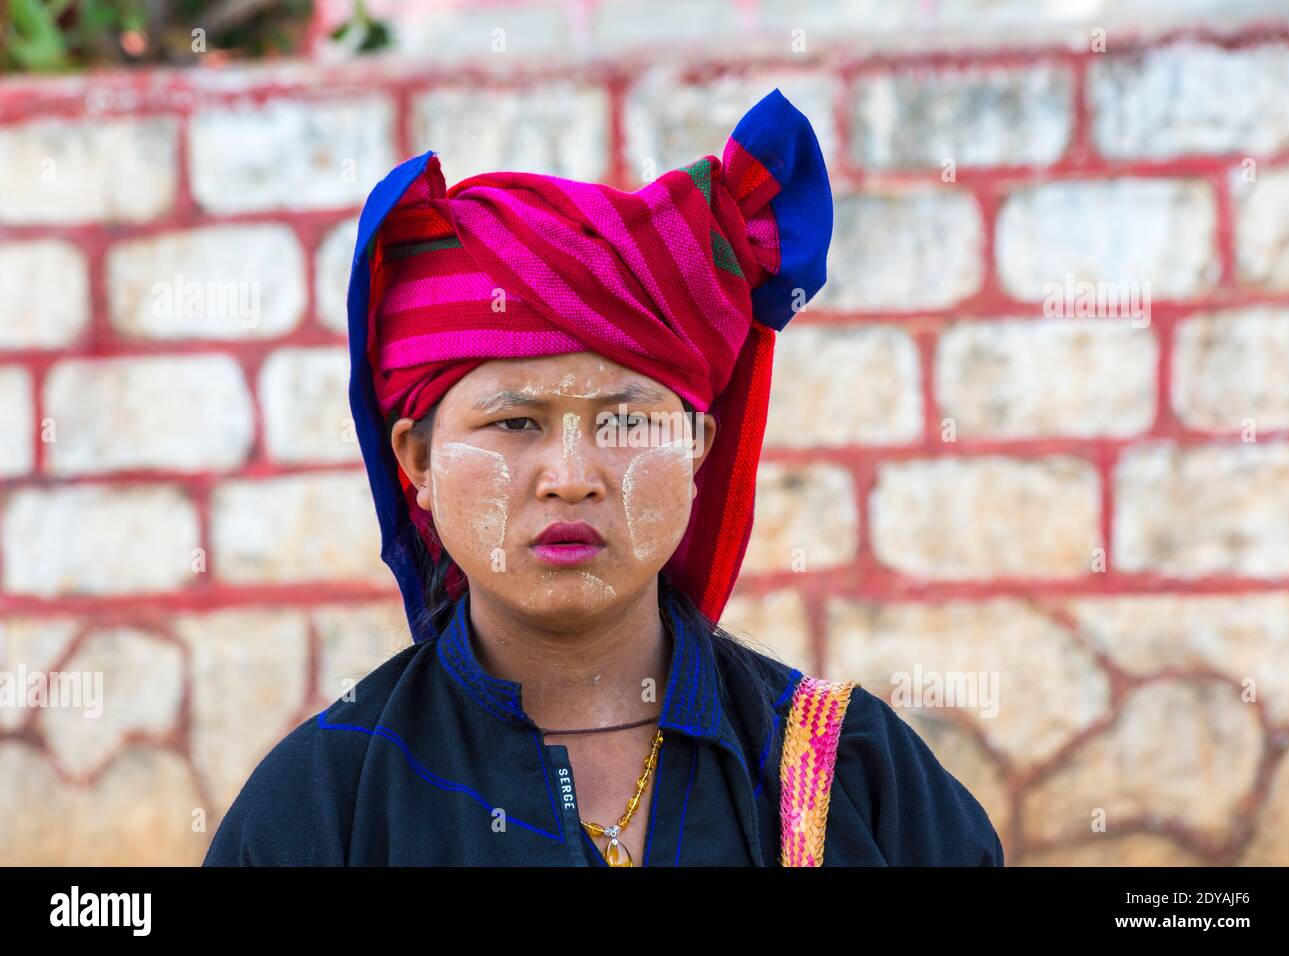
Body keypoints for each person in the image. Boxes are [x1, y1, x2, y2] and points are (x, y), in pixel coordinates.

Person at [203, 87, 1004, 867]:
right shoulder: (319, 810)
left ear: (696, 447)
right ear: (417, 460)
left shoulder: (853, 781)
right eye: (516, 422)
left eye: (625, 422)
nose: (572, 477)